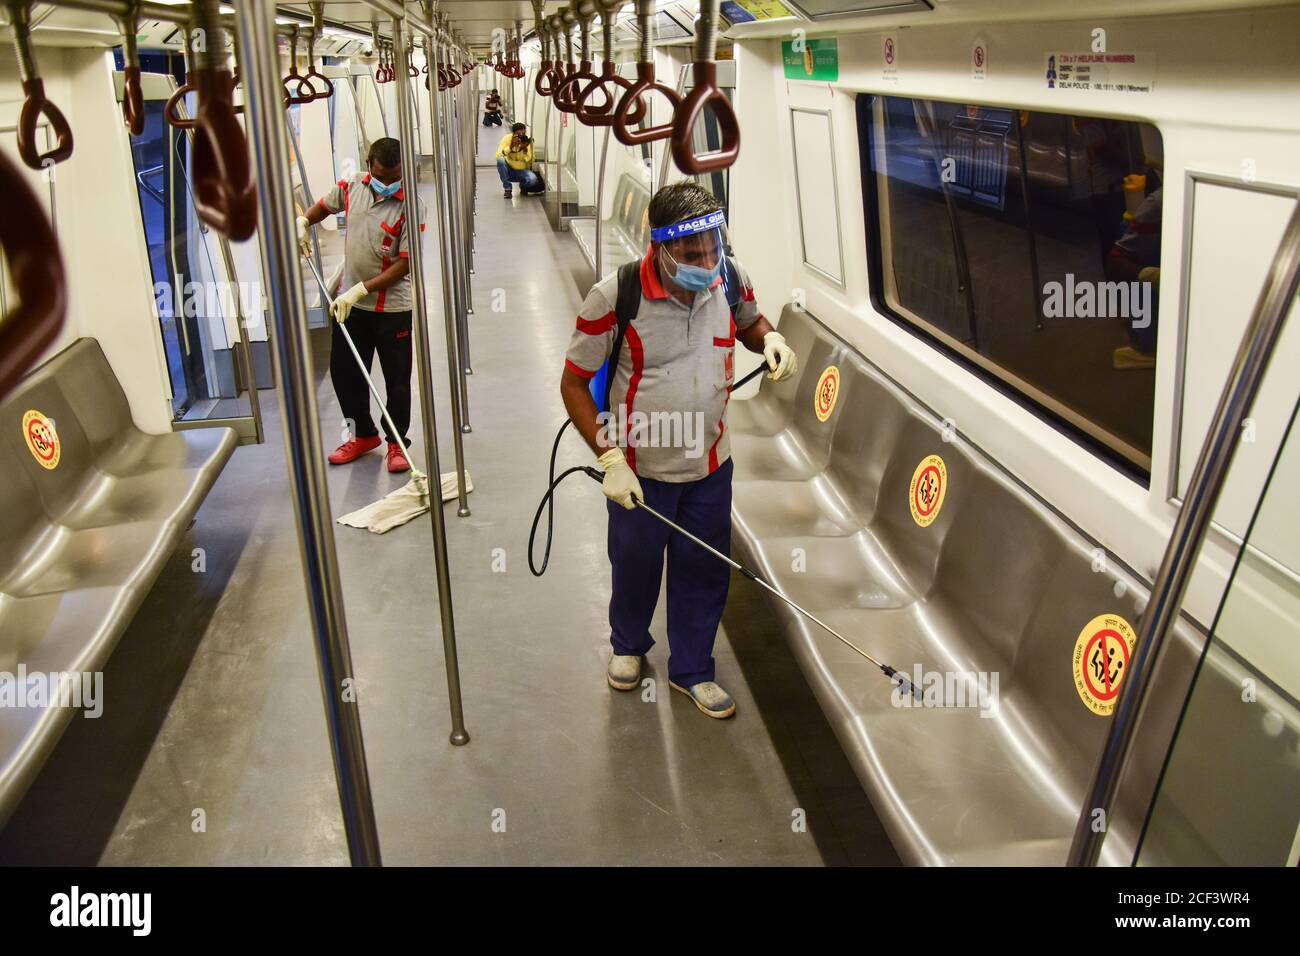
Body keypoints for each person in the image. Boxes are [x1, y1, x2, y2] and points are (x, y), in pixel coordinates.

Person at [559, 182, 799, 719]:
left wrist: (770, 339)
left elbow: (750, 322)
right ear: (660, 248)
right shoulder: (614, 296)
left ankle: (692, 669)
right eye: (692, 255)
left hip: (710, 463)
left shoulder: (729, 278)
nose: (707, 263)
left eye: (714, 248)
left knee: (703, 568)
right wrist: (610, 459)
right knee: (635, 563)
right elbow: (573, 383)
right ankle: (628, 645)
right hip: (640, 467)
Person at [296, 137, 426, 474]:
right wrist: (304, 222)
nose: (387, 184)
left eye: (394, 177)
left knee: (397, 380)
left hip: (391, 308)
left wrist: (361, 290)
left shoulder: (412, 205)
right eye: (381, 176)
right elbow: (324, 206)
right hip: (350, 307)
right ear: (369, 166)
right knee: (345, 374)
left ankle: (397, 443)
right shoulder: (351, 186)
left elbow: (405, 263)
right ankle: (364, 435)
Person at [496, 123, 544, 198]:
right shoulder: (507, 138)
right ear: (513, 134)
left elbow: (529, 160)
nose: (521, 136)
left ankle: (523, 186)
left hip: (521, 171)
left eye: (523, 133)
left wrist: (524, 149)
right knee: (500, 161)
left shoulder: (527, 141)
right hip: (508, 170)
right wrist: (511, 147)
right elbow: (498, 155)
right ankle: (508, 189)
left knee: (532, 180)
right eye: (519, 134)